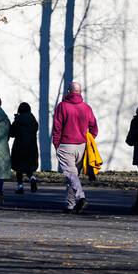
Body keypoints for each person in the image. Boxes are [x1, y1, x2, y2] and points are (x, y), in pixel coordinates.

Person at [52, 81, 98, 213]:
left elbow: (57, 128)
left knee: (71, 175)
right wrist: (89, 140)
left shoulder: (62, 107)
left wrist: (56, 144)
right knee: (73, 176)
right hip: (81, 146)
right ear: (80, 92)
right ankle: (70, 204)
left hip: (66, 145)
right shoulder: (86, 108)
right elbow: (94, 128)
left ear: (68, 91)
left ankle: (81, 197)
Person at [9, 102, 39, 194]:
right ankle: (32, 178)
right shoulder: (33, 121)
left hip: (19, 147)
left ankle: (20, 187)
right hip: (31, 147)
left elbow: (12, 133)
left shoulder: (17, 121)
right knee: (29, 167)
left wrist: (15, 120)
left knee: (19, 168)